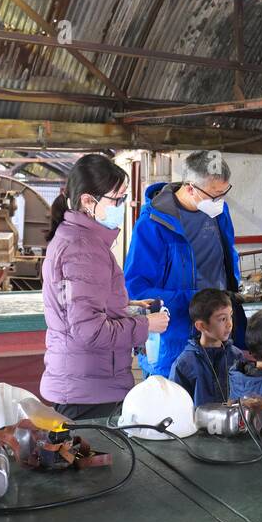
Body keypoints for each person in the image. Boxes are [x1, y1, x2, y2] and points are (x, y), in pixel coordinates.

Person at [41, 154, 170, 421]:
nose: (122, 205)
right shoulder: (82, 250)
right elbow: (88, 329)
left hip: (82, 383)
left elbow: (77, 308)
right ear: (88, 201)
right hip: (91, 391)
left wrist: (127, 309)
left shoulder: (76, 239)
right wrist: (147, 326)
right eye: (118, 199)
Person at [124, 149, 247, 380]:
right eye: (213, 195)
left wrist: (232, 291)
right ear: (190, 188)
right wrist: (196, 299)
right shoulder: (153, 224)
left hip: (217, 336)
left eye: (223, 194)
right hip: (173, 341)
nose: (218, 202)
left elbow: (228, 256)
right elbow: (136, 289)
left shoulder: (219, 212)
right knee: (173, 409)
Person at [169, 288, 244, 406]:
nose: (230, 324)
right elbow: (177, 407)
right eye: (222, 319)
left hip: (233, 422)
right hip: (198, 424)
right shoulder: (184, 364)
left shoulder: (237, 356)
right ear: (202, 326)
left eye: (230, 316)